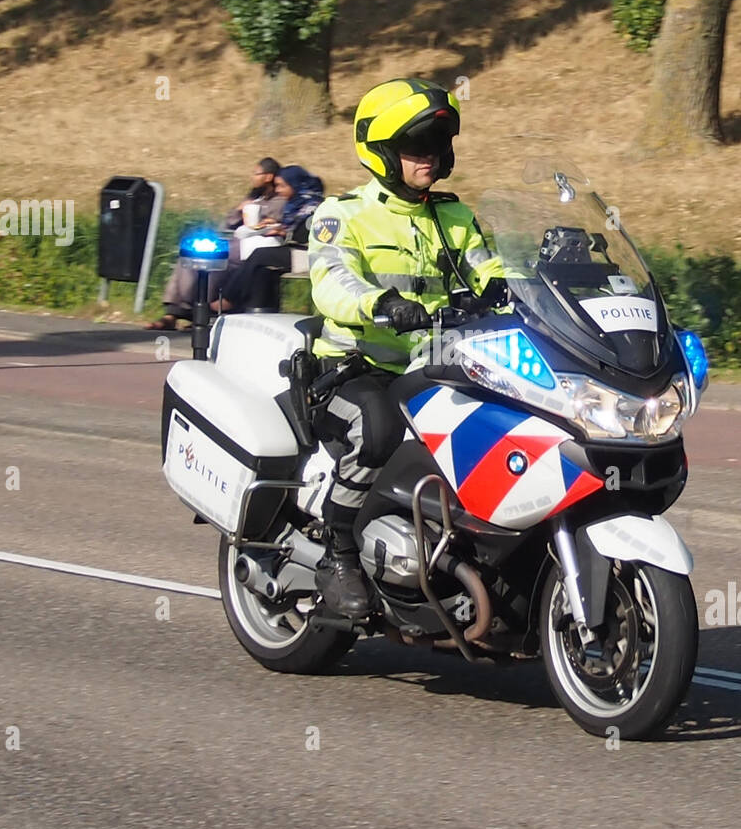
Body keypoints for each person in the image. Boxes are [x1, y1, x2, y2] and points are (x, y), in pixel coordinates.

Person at [306, 78, 507, 618]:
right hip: (354, 368)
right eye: (417, 148)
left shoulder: (456, 219)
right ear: (382, 153)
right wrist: (382, 304)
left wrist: (533, 282)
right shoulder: (341, 214)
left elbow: (493, 276)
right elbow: (330, 280)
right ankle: (339, 552)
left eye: (438, 148)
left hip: (439, 365)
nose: (430, 158)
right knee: (377, 429)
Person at [144, 158, 284, 330]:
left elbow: (271, 224)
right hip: (234, 242)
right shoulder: (253, 197)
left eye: (256, 174)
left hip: (251, 249)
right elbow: (227, 224)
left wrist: (258, 214)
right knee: (188, 255)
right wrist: (240, 209)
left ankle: (201, 314)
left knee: (213, 261)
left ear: (268, 176)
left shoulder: (279, 201)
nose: (252, 178)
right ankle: (172, 313)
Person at [210, 165, 325, 313]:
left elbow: (305, 234)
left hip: (306, 255)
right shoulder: (297, 204)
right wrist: (278, 226)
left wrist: (284, 232)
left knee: (260, 255)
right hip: (295, 250)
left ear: (295, 184)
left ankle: (228, 300)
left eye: (281, 186)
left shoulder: (313, 206)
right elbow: (295, 227)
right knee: (261, 267)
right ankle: (256, 311)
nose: (277, 190)